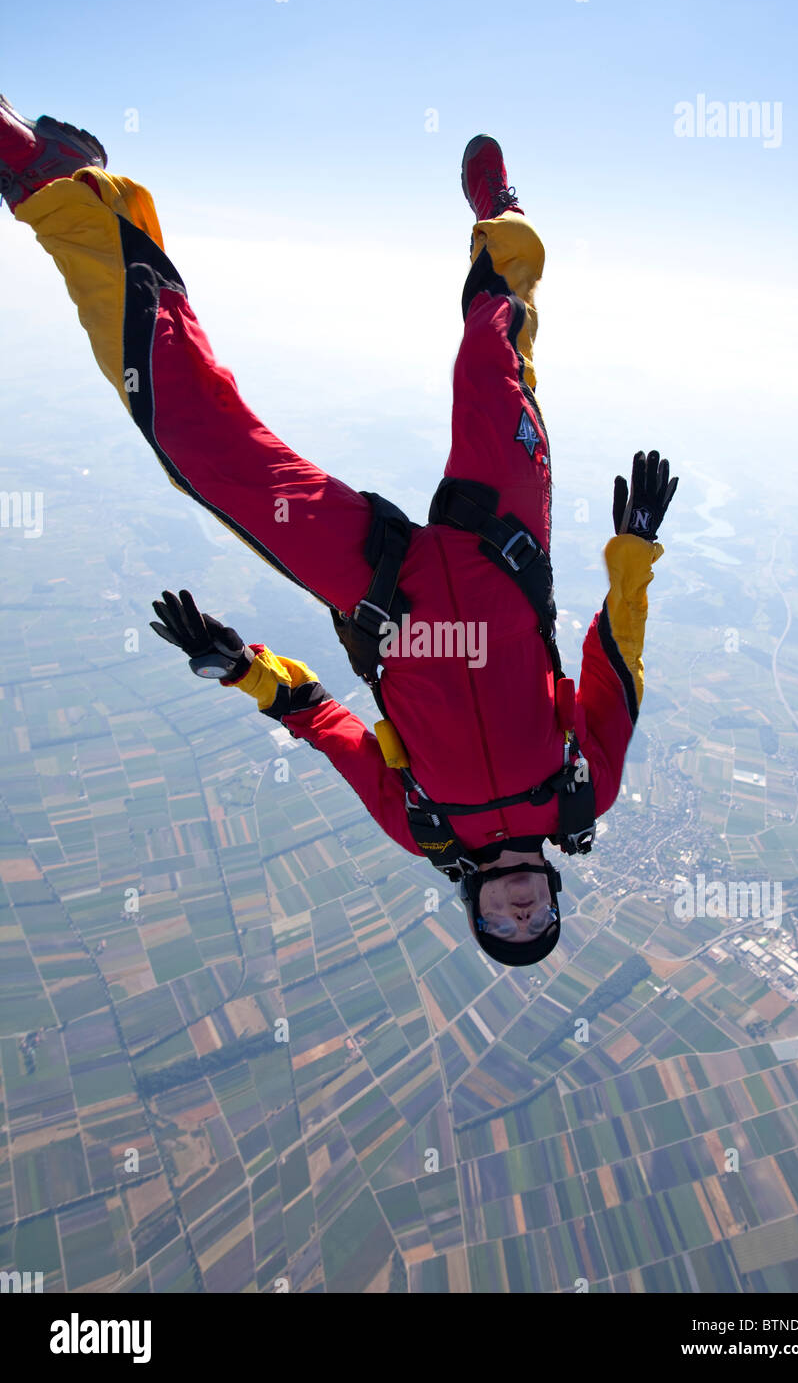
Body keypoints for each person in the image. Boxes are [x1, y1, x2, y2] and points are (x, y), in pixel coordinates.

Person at [1, 98, 678, 968]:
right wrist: (634, 551)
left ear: (473, 909)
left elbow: (322, 721)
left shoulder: (421, 825)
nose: (520, 915)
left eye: (501, 929)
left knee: (200, 455)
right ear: (555, 897)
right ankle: (502, 222)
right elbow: (616, 661)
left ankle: (57, 190)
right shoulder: (588, 794)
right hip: (502, 557)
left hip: (383, 591)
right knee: (489, 355)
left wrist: (240, 666)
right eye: (537, 923)